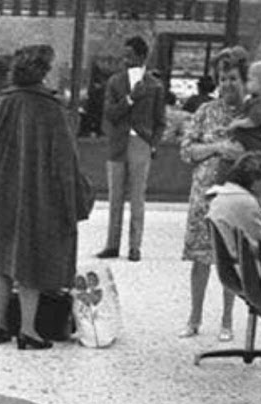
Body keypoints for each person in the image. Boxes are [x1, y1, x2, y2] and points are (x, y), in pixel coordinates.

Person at [0, 44, 91, 350]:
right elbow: (65, 162)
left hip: (1, 196)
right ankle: (29, 331)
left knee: (2, 262)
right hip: (39, 198)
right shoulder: (52, 109)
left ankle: (0, 324)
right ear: (43, 72)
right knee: (30, 264)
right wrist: (77, 198)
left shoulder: (1, 103)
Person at [180, 44, 249, 340]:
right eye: (222, 79)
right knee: (199, 259)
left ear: (243, 80)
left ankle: (227, 321)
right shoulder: (205, 111)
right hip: (202, 196)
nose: (227, 84)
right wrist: (216, 148)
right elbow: (186, 150)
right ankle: (193, 319)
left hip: (235, 198)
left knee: (230, 259)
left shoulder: (250, 115)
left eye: (233, 78)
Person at [98, 35, 166, 263]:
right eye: (125, 54)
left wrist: (153, 144)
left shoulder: (155, 86)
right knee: (115, 197)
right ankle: (112, 244)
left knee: (137, 198)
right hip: (118, 143)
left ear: (141, 56)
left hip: (140, 143)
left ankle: (134, 246)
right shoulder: (115, 83)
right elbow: (109, 113)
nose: (125, 59)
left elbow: (160, 121)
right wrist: (129, 99)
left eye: (130, 55)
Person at [206, 152, 261, 253]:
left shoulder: (219, 198)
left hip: (230, 262)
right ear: (254, 182)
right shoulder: (246, 202)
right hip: (250, 265)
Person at [225, 59, 261, 153]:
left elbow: (252, 121)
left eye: (250, 80)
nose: (247, 83)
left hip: (253, 144)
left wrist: (235, 124)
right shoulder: (253, 100)